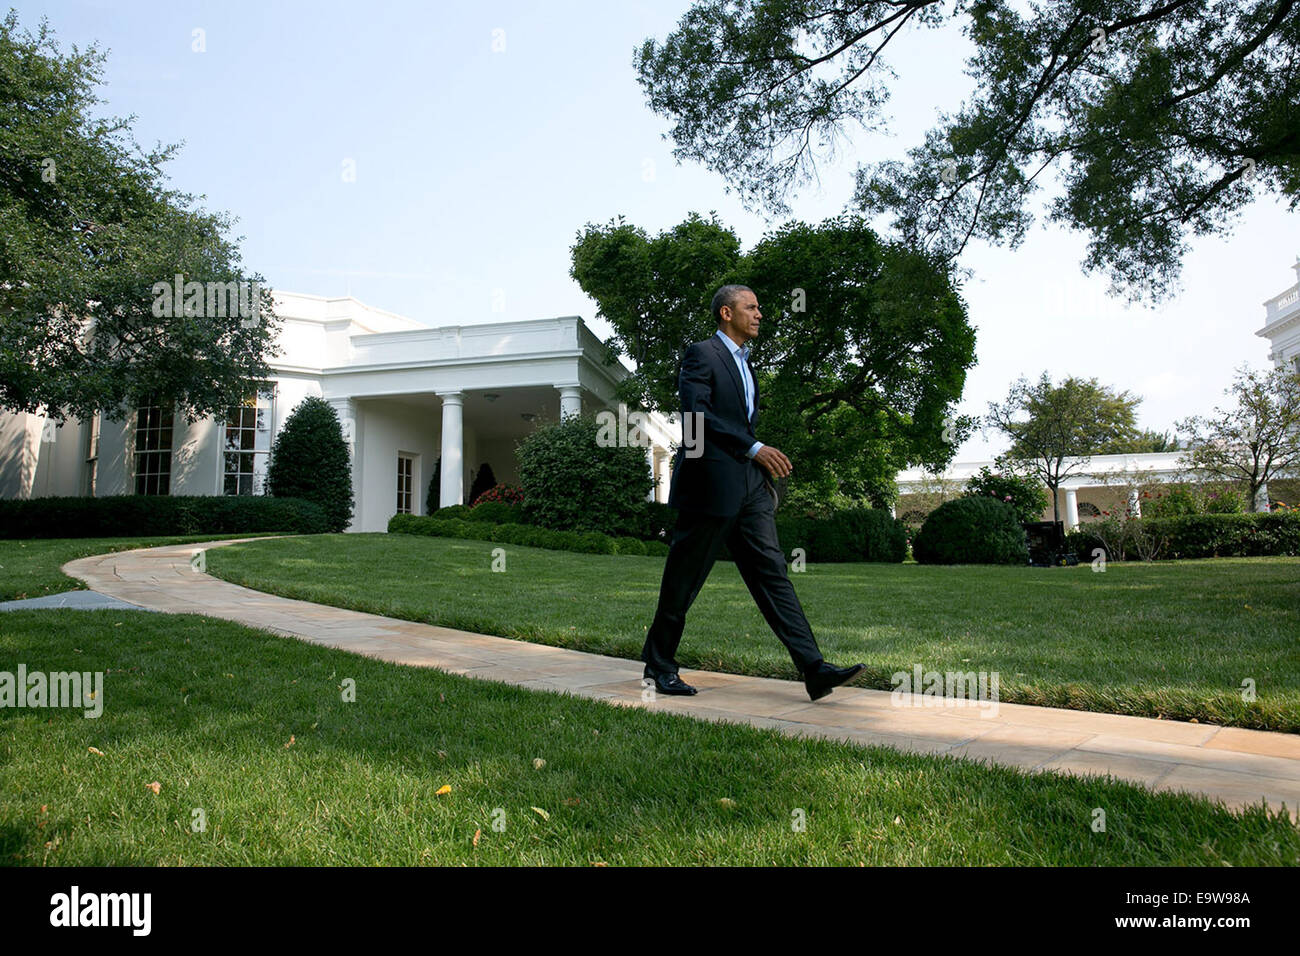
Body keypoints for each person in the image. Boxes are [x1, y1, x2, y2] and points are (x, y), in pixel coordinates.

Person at [640, 284, 866, 700]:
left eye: (759, 307)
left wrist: (754, 465)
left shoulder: (747, 366)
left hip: (749, 488)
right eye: (751, 307)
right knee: (684, 580)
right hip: (710, 487)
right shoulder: (702, 354)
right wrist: (754, 447)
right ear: (727, 313)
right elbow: (695, 416)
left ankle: (813, 668)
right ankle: (659, 667)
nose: (759, 314)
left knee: (772, 574)